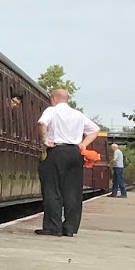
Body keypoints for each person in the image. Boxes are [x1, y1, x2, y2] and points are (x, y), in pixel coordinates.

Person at [36, 89, 100, 236]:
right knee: (73, 191)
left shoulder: (51, 111)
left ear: (54, 98)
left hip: (57, 151)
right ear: (67, 99)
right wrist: (83, 144)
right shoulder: (78, 114)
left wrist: (45, 140)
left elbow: (41, 124)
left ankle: (53, 227)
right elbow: (95, 130)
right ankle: (70, 228)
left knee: (52, 189)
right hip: (75, 154)